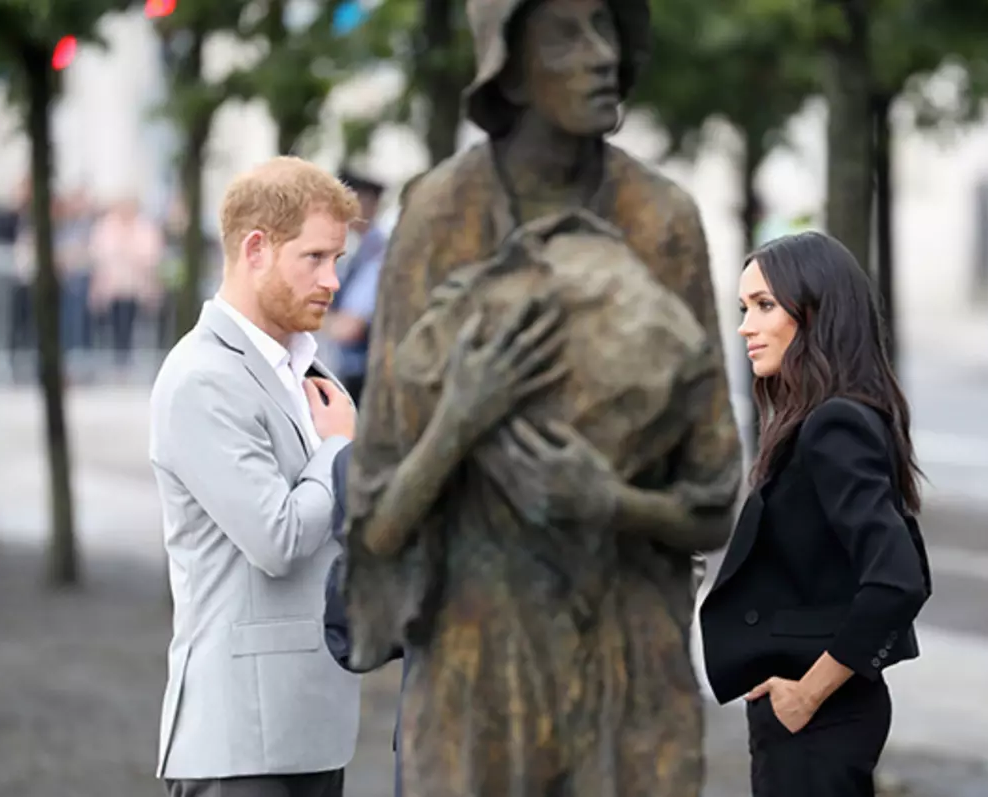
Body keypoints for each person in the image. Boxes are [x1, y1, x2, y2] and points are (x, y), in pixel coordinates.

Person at [334, 0, 743, 794]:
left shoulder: (663, 221)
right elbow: (377, 525)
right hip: (478, 667)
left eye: (607, 28)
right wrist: (459, 420)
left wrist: (610, 501)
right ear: (507, 65)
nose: (600, 55)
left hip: (630, 667)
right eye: (565, 33)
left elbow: (716, 499)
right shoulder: (440, 217)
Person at [149, 156, 363, 797]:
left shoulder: (309, 373)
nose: (331, 280)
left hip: (310, 727)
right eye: (315, 258)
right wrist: (337, 452)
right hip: (239, 744)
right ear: (256, 249)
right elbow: (275, 539)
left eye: (338, 261)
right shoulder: (201, 377)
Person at [698, 230, 932, 797]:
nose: (745, 327)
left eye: (764, 306)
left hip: (818, 719)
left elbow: (898, 580)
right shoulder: (822, 422)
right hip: (812, 720)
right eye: (743, 308)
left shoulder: (834, 426)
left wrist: (808, 692)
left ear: (815, 313)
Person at [323, 169, 388, 405]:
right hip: (354, 373)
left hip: (364, 378)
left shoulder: (378, 255)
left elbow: (349, 328)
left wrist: (305, 316)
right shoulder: (360, 251)